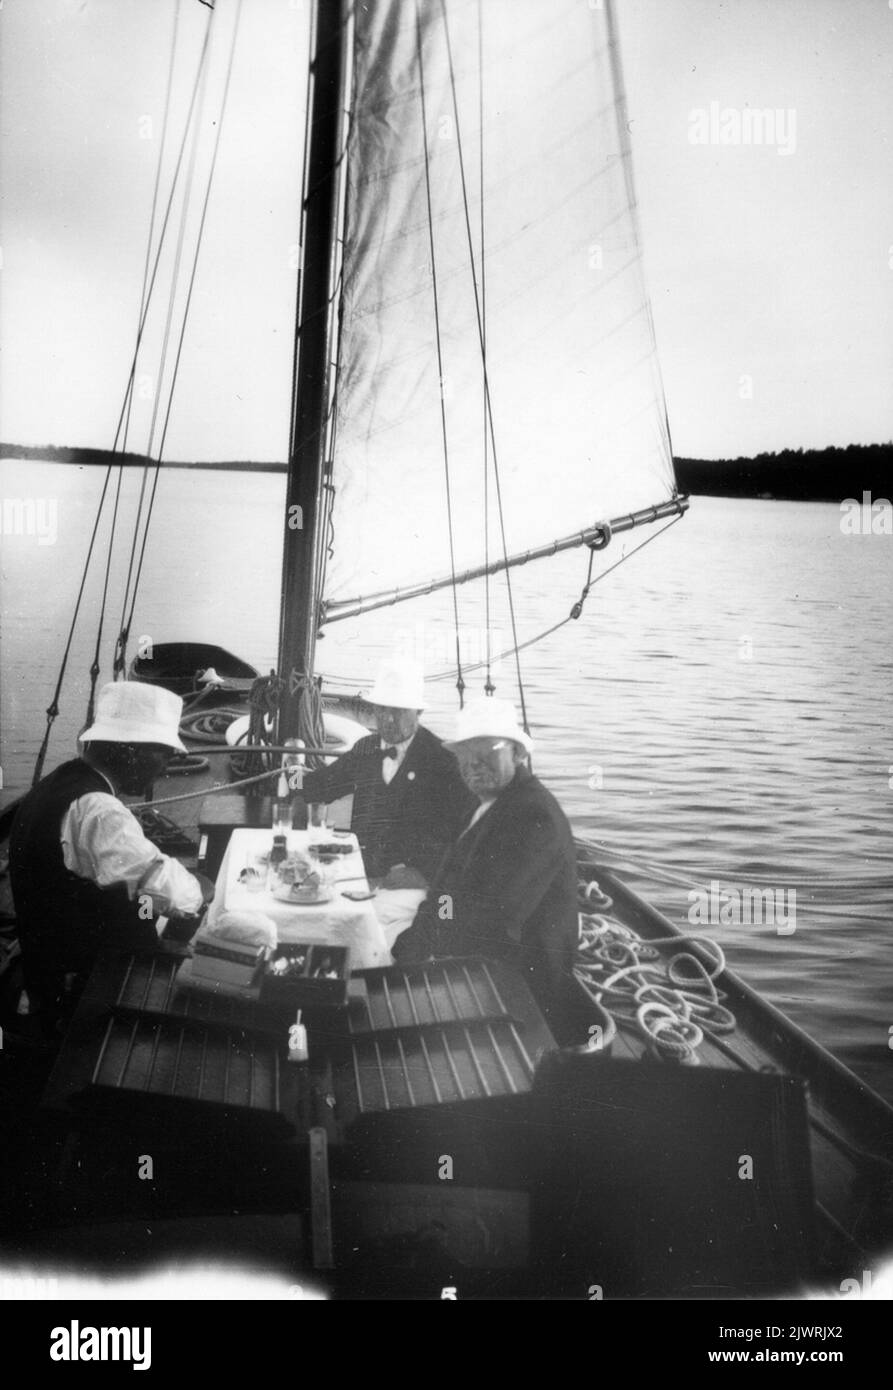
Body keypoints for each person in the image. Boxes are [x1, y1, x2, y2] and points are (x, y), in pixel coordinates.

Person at [9, 681, 208, 1030]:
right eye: (164, 753)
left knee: (148, 901)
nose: (165, 767)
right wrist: (200, 893)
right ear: (132, 751)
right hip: (79, 978)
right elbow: (174, 893)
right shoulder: (100, 810)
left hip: (45, 950)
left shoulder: (60, 780)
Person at [391, 696, 580, 1039]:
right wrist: (415, 943)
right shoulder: (484, 805)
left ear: (518, 754)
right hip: (476, 963)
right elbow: (447, 892)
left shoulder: (535, 816)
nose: (473, 765)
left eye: (487, 752)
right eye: (464, 755)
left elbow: (498, 915)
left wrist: (431, 962)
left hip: (521, 988)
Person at [301, 658, 476, 885]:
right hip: (360, 877)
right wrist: (292, 773)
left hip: (417, 888)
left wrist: (426, 881)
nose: (389, 719)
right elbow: (316, 786)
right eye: (382, 709)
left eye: (400, 711)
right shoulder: (365, 749)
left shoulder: (444, 762)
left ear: (419, 711)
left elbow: (464, 838)